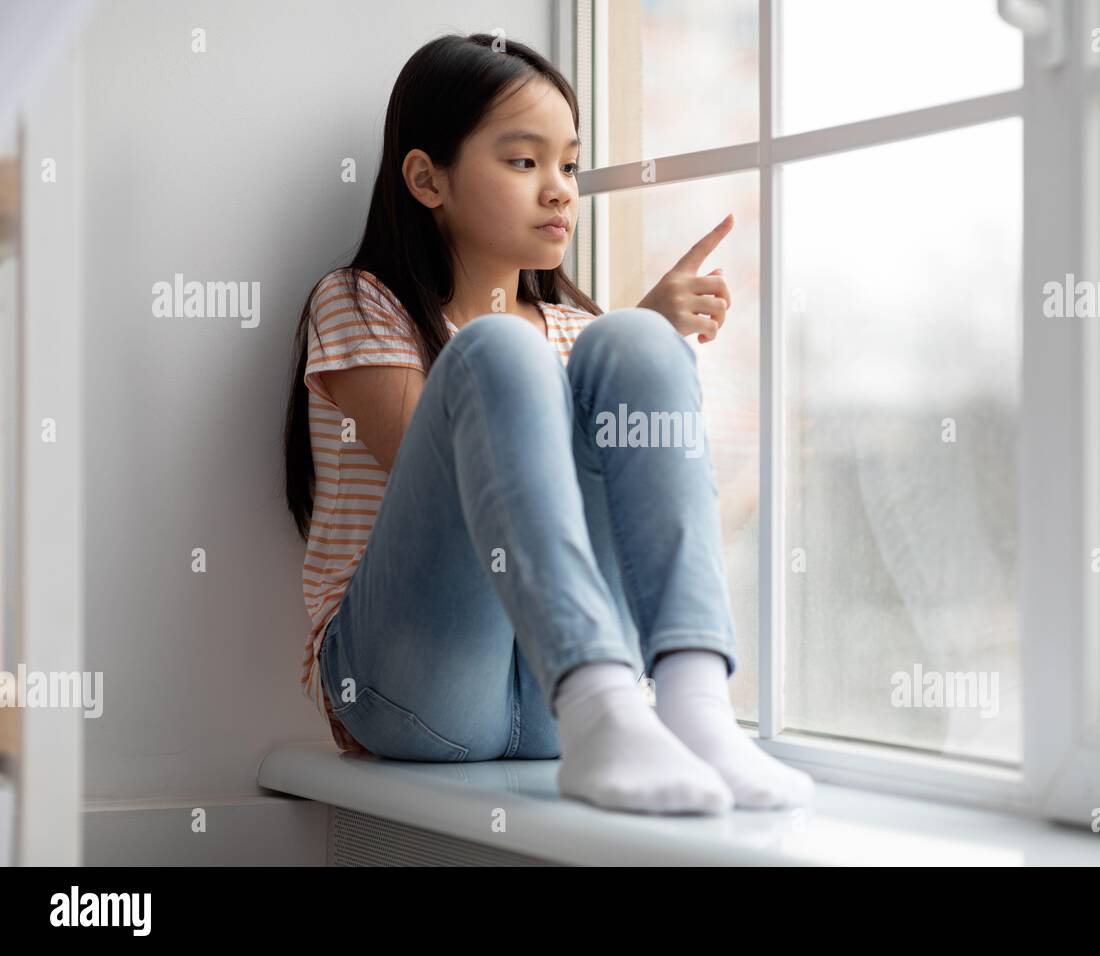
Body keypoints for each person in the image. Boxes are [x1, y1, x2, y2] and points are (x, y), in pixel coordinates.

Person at [281, 33, 812, 815]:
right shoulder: (361, 301)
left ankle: (694, 707)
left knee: (635, 342)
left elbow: (640, 503)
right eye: (524, 162)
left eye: (569, 163)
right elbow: (455, 474)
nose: (561, 189)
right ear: (428, 179)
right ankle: (603, 700)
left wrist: (649, 334)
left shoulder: (576, 329)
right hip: (409, 690)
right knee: (500, 349)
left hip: (554, 704)